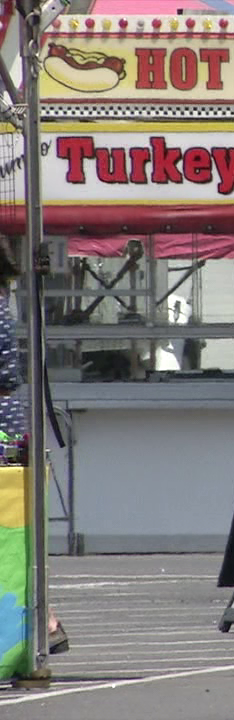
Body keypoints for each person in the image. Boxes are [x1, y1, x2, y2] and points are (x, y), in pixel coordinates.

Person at [0, 238, 68, 654]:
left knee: (13, 537)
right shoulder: (4, 303)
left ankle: (43, 620)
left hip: (3, 430)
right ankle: (45, 620)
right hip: (11, 428)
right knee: (17, 536)